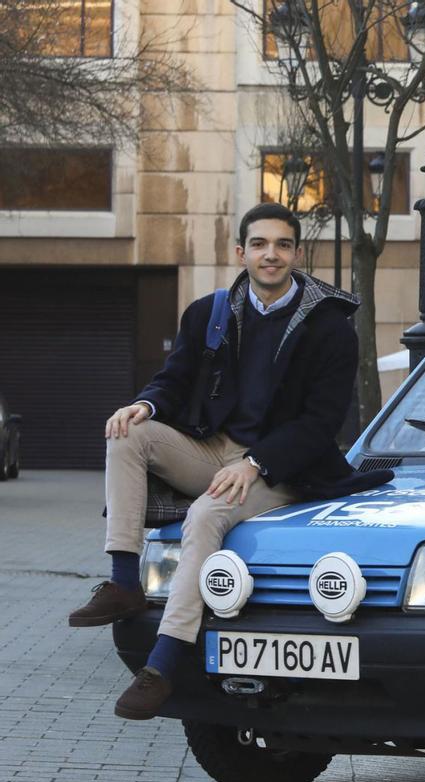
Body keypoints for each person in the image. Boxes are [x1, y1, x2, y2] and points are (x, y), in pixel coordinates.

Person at [68, 202, 391, 720]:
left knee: (206, 514)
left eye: (283, 245)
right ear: (241, 252)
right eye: (260, 245)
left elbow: (320, 423)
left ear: (297, 252)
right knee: (128, 435)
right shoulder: (210, 313)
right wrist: (144, 404)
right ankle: (124, 581)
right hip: (213, 450)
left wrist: (257, 463)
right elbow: (174, 379)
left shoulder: (331, 327)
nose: (271, 255)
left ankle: (164, 663)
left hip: (287, 466)